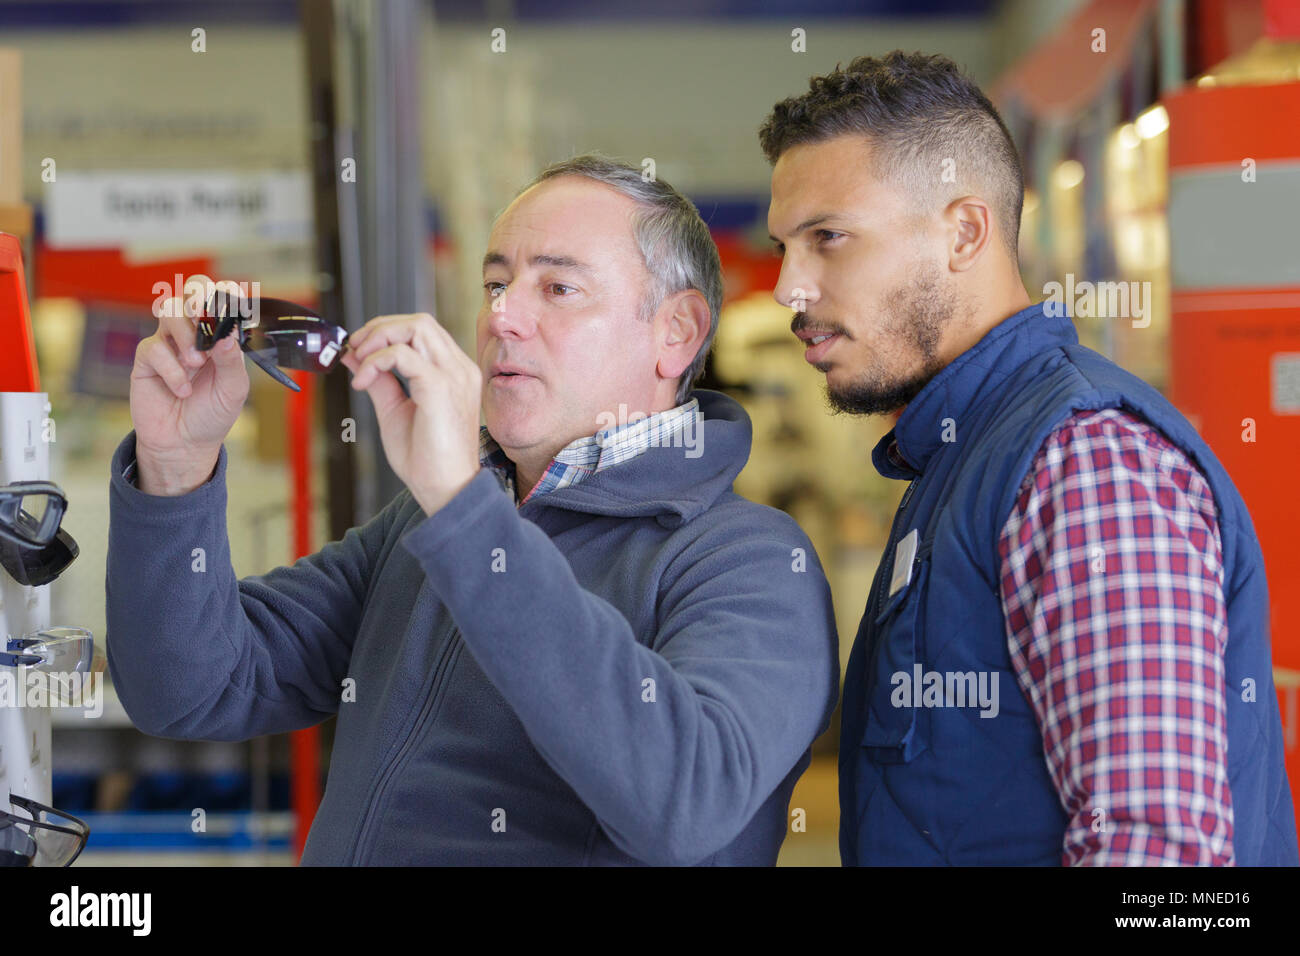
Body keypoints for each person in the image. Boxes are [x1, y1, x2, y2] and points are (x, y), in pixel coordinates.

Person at [107, 155, 839, 866]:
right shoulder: (425, 525)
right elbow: (192, 691)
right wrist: (175, 466)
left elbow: (687, 803)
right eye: (496, 282)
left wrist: (462, 508)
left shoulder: (751, 560)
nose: (501, 316)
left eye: (557, 288)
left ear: (675, 331)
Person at [760, 52, 1297, 866]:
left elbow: (1159, 860)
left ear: (965, 231)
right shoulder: (968, 452)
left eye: (828, 239)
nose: (789, 289)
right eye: (785, 247)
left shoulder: (1085, 463)